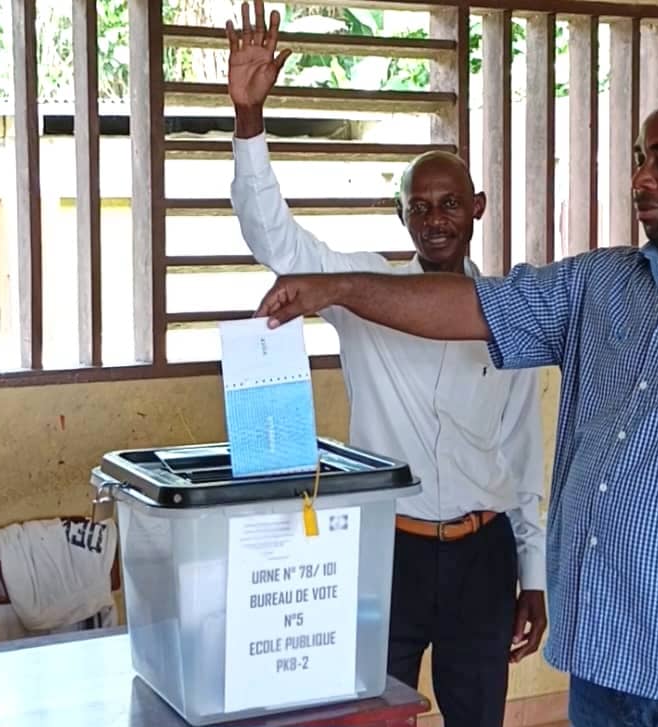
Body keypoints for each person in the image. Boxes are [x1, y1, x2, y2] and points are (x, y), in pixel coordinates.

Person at [252, 91, 658, 727]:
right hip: (607, 657)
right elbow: (474, 306)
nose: (640, 178)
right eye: (638, 158)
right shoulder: (600, 283)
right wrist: (331, 287)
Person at [224, 3, 548, 726]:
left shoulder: (513, 310)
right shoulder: (360, 289)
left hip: (483, 553)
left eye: (450, 204)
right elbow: (274, 238)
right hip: (384, 550)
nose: (436, 219)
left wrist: (535, 573)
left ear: (477, 209)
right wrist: (249, 120)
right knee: (368, 714)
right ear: (401, 214)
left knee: (476, 718)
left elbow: (525, 454)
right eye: (420, 206)